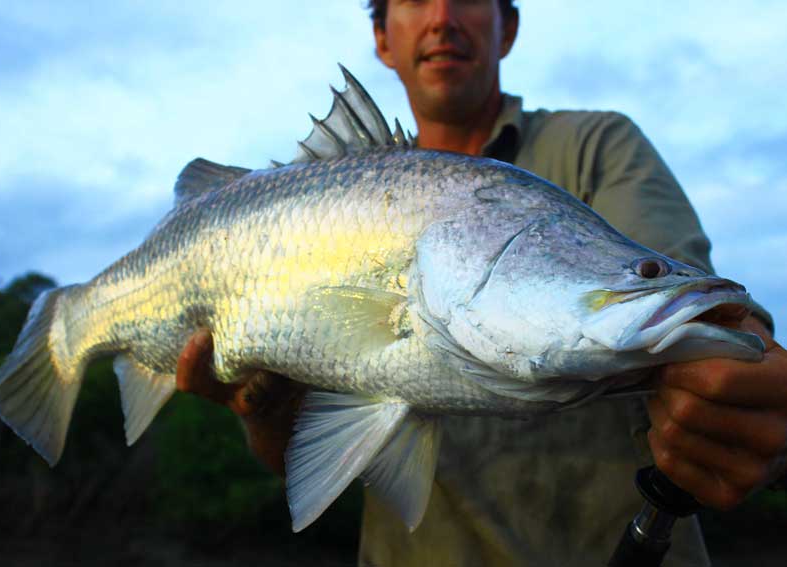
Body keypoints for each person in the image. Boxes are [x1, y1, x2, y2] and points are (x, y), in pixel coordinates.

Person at [177, 1, 787, 565]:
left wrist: (743, 375)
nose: (443, 17)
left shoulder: (597, 144)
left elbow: (712, 313)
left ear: (509, 26)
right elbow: (291, 459)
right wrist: (263, 410)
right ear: (383, 39)